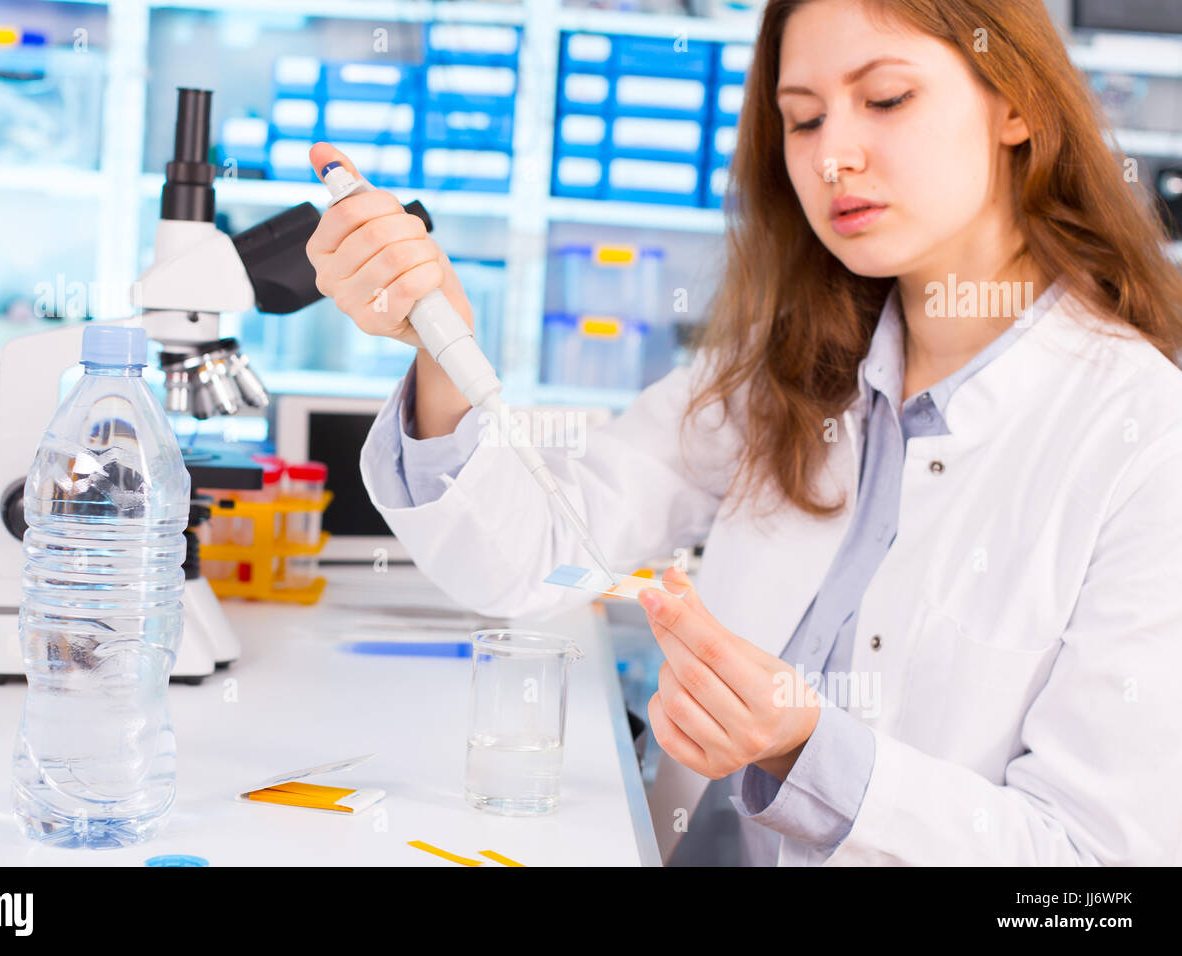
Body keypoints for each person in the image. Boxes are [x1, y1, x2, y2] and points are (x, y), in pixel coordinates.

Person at [302, 0, 1182, 865]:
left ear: (1015, 103)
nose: (833, 156)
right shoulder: (786, 370)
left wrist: (812, 750)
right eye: (801, 119)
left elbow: (1095, 877)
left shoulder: (1143, 437)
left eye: (885, 100)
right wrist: (443, 343)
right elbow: (537, 551)